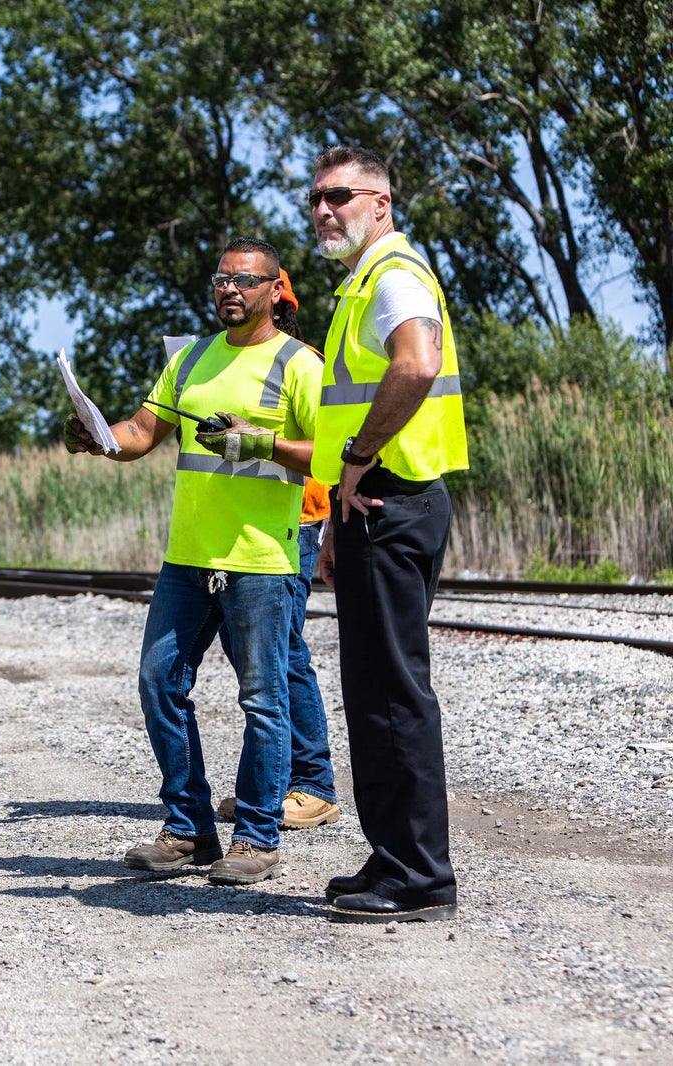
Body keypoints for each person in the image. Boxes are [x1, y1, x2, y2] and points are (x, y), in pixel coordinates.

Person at [64, 237, 321, 886]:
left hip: (261, 561)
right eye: (221, 280)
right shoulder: (190, 360)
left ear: (273, 289)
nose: (230, 289)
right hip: (188, 558)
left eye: (245, 280)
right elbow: (141, 432)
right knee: (159, 683)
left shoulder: (300, 364)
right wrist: (100, 441)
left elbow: (331, 454)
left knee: (264, 701)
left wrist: (256, 442)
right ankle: (189, 831)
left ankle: (257, 838)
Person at [306, 146, 468, 924]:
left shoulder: (393, 274)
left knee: (394, 692)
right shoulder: (362, 282)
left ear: (381, 203)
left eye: (339, 195)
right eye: (316, 198)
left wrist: (359, 460)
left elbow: (417, 365)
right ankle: (391, 853)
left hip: (393, 498)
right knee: (370, 691)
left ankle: (420, 877)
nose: (324, 210)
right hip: (369, 505)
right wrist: (338, 513)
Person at [215, 269, 341, 831]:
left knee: (284, 651)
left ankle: (312, 784)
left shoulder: (299, 361)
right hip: (267, 523)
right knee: (265, 653)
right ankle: (275, 782)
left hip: (302, 517)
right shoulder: (240, 358)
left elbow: (328, 449)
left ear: (278, 302)